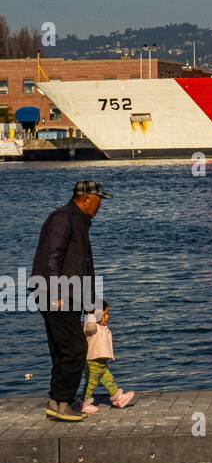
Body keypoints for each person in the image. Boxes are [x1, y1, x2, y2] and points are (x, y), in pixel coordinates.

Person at [30, 181, 110, 422]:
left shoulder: (78, 221)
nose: (101, 204)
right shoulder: (63, 218)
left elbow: (80, 269)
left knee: (62, 348)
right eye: (99, 199)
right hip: (55, 293)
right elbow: (51, 257)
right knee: (74, 348)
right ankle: (61, 402)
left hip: (65, 292)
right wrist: (55, 294)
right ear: (85, 199)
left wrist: (97, 304)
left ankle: (58, 401)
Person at [73, 303, 134, 414]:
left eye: (108, 314)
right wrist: (91, 314)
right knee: (91, 383)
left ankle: (117, 397)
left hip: (100, 362)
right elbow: (90, 325)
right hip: (92, 361)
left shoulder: (102, 327)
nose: (107, 317)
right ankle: (82, 404)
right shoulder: (92, 327)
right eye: (105, 314)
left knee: (108, 379)